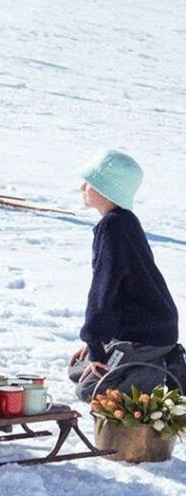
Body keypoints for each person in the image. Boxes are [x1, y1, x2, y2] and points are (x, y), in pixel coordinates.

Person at [69, 149, 181, 400]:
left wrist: (97, 348)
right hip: (148, 327)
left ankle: (154, 377)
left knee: (89, 390)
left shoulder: (113, 227)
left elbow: (104, 291)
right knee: (77, 369)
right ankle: (144, 368)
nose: (82, 187)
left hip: (147, 334)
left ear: (106, 189)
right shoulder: (125, 221)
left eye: (90, 182)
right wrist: (95, 344)